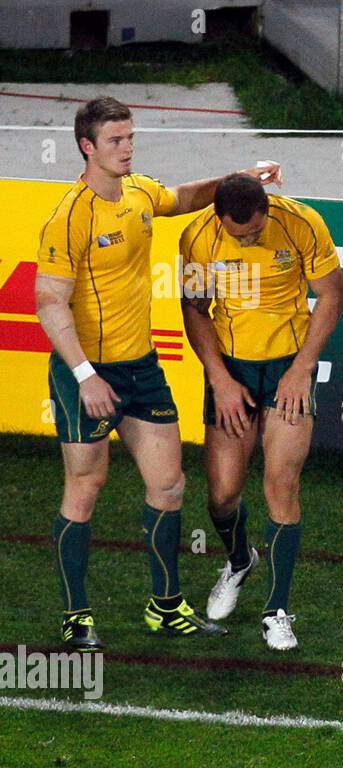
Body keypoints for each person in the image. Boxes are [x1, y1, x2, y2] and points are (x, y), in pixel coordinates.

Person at [34, 95, 280, 651]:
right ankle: (77, 619)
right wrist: (84, 375)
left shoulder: (139, 192)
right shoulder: (69, 216)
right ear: (87, 147)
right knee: (85, 487)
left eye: (130, 138)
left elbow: (184, 197)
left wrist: (239, 179)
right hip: (87, 376)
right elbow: (48, 300)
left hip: (141, 369)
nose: (127, 148)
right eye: (116, 141)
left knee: (169, 485)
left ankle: (165, 607)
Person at [178, 174, 343, 650]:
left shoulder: (302, 223)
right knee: (222, 496)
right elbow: (194, 308)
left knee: (281, 485)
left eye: (253, 231)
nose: (246, 238)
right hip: (231, 371)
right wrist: (219, 378)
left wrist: (303, 368)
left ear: (267, 210)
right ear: (219, 217)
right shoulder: (198, 237)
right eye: (238, 234)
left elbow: (331, 294)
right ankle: (238, 560)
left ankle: (277, 612)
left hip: (287, 370)